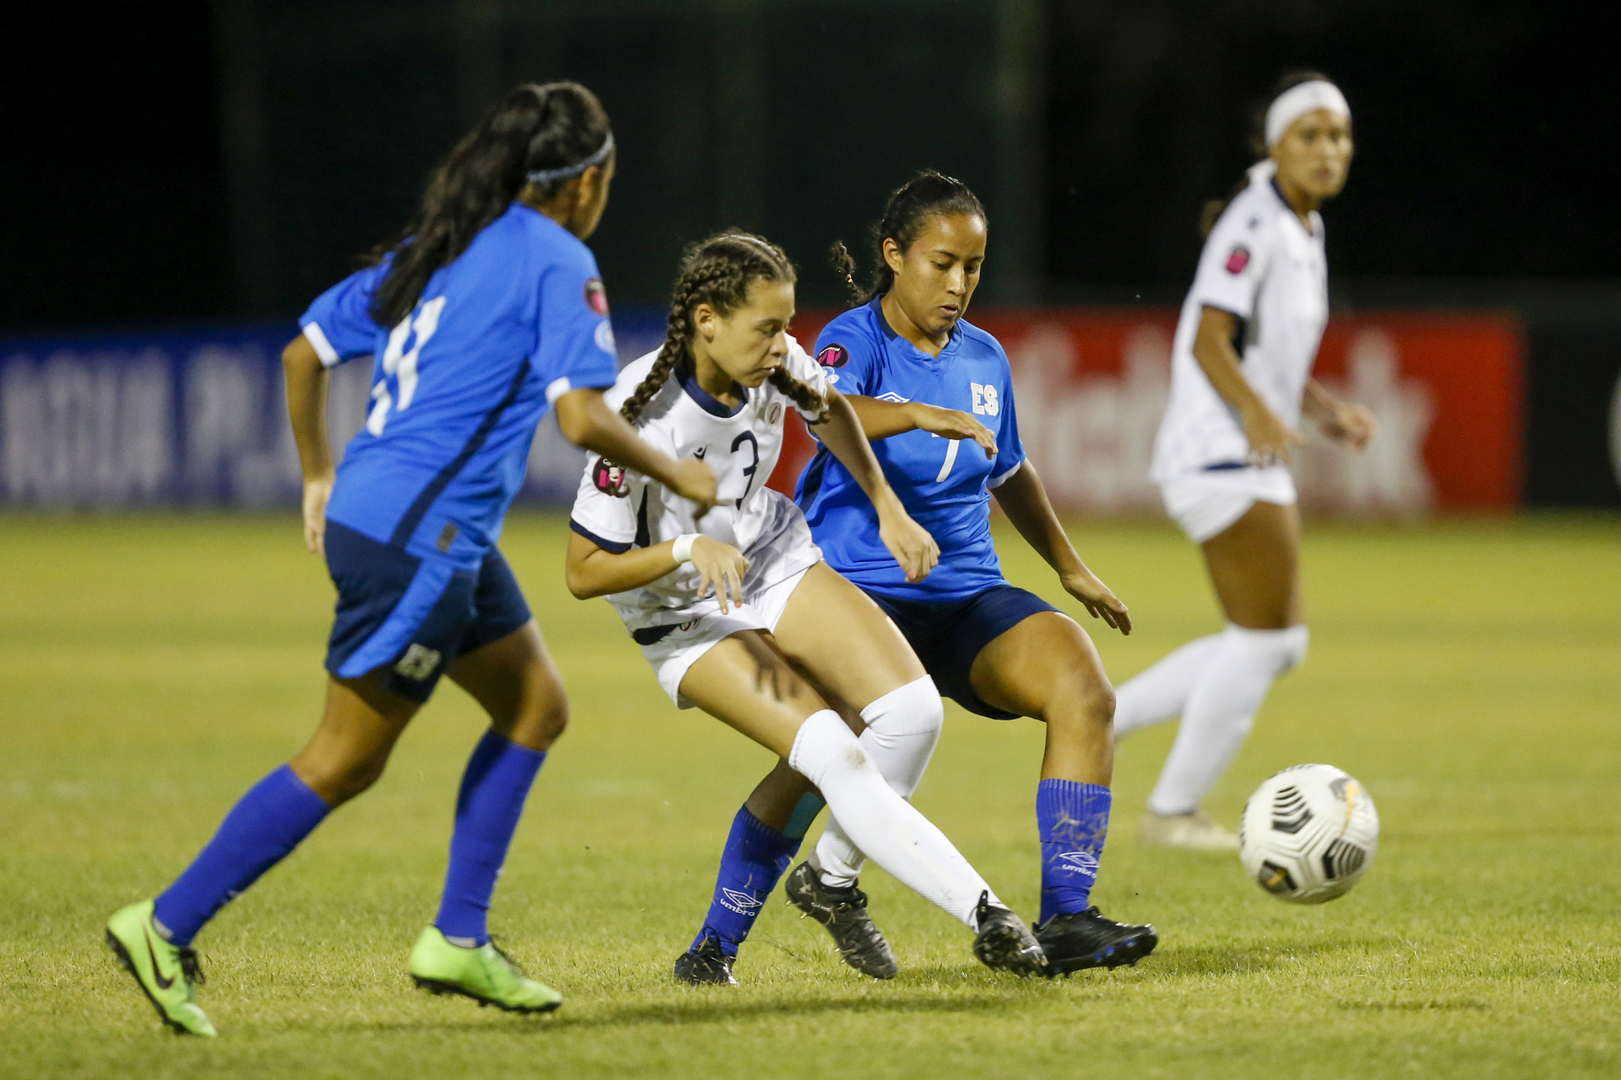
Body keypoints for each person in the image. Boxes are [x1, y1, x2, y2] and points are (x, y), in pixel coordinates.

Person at [103, 82, 717, 1037]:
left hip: (403, 522)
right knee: (345, 759)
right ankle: (162, 924)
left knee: (535, 705)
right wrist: (677, 470)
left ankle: (458, 939)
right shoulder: (559, 259)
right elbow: (580, 415)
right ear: (585, 181)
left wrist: (318, 475)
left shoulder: (440, 243)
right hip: (419, 541)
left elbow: (302, 354)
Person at [673, 172, 1158, 983]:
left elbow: (1010, 469)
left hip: (963, 597)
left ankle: (1067, 916)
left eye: (973, 266)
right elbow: (827, 411)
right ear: (894, 255)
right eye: (943, 264)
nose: (959, 284)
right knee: (821, 755)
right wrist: (915, 412)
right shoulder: (853, 341)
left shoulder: (985, 357)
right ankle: (715, 946)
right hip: (856, 593)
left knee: (1082, 686)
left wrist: (1070, 568)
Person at [567, 231, 1051, 987]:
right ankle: (984, 912)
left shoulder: (774, 359)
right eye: (766, 329)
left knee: (911, 714)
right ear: (705, 322)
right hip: (681, 610)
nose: (781, 346)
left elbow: (830, 412)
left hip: (769, 556)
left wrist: (887, 506)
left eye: (785, 326)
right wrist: (686, 549)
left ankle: (814, 889)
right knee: (831, 748)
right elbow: (583, 571)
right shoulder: (639, 415)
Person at [1111, 74, 1376, 849]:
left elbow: (1266, 354)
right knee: (1262, 642)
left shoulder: (1299, 225)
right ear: (1274, 145)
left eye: (1338, 136)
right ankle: (1171, 811)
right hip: (1217, 451)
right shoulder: (1253, 223)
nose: (1327, 150)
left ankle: (1104, 714)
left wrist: (1322, 410)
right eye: (1309, 135)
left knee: (1275, 642)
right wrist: (1258, 410)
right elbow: (1206, 339)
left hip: (1239, 450)